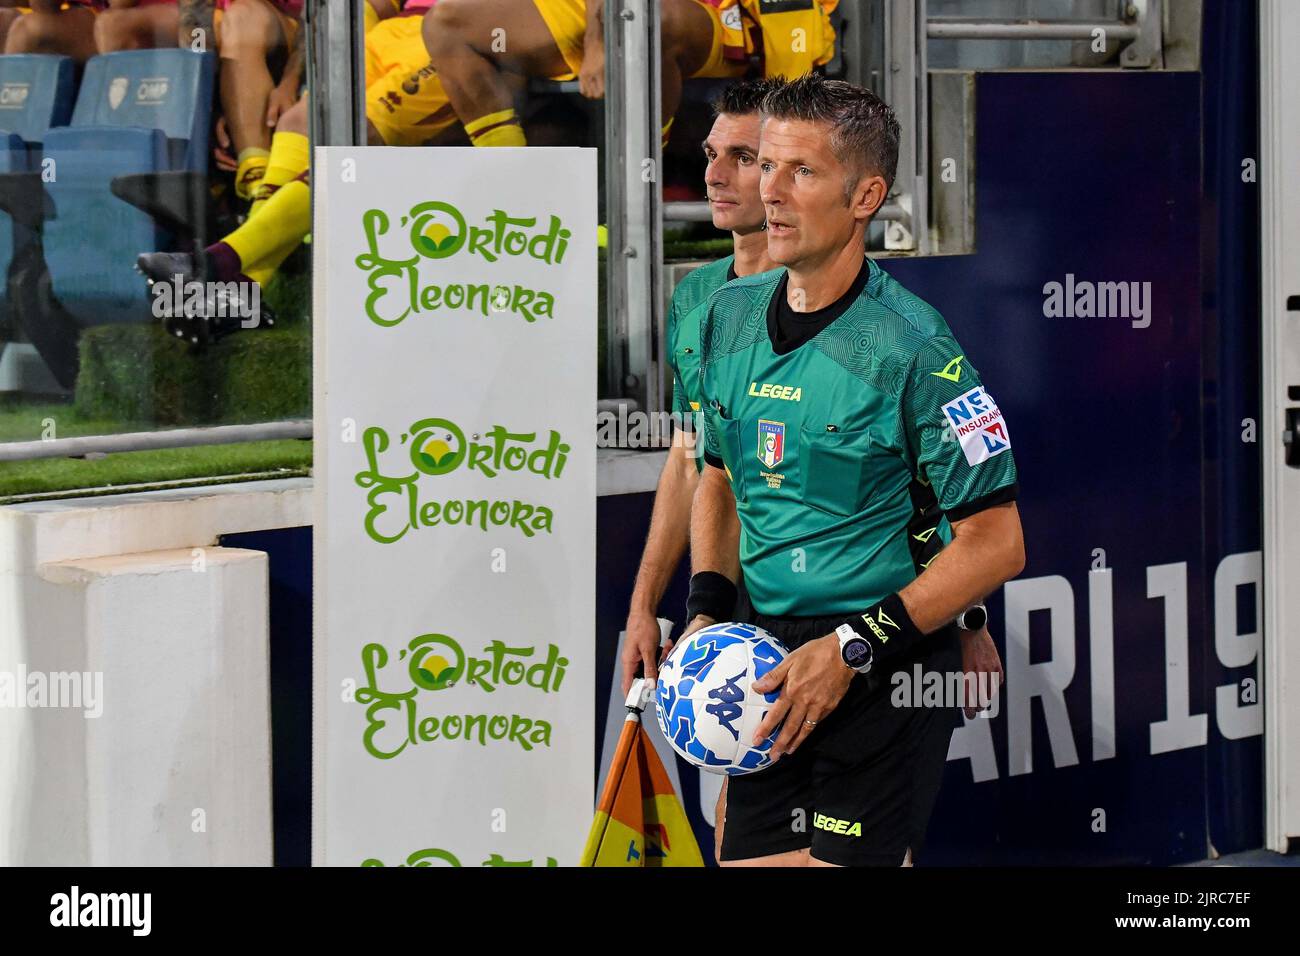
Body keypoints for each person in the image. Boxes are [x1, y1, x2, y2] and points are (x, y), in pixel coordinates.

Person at [689, 73, 1023, 867]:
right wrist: (707, 608)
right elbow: (723, 475)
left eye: (801, 172)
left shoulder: (918, 349)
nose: (770, 191)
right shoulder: (725, 317)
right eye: (765, 165)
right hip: (767, 660)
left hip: (883, 660)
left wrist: (852, 649)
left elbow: (996, 541)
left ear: (866, 194)